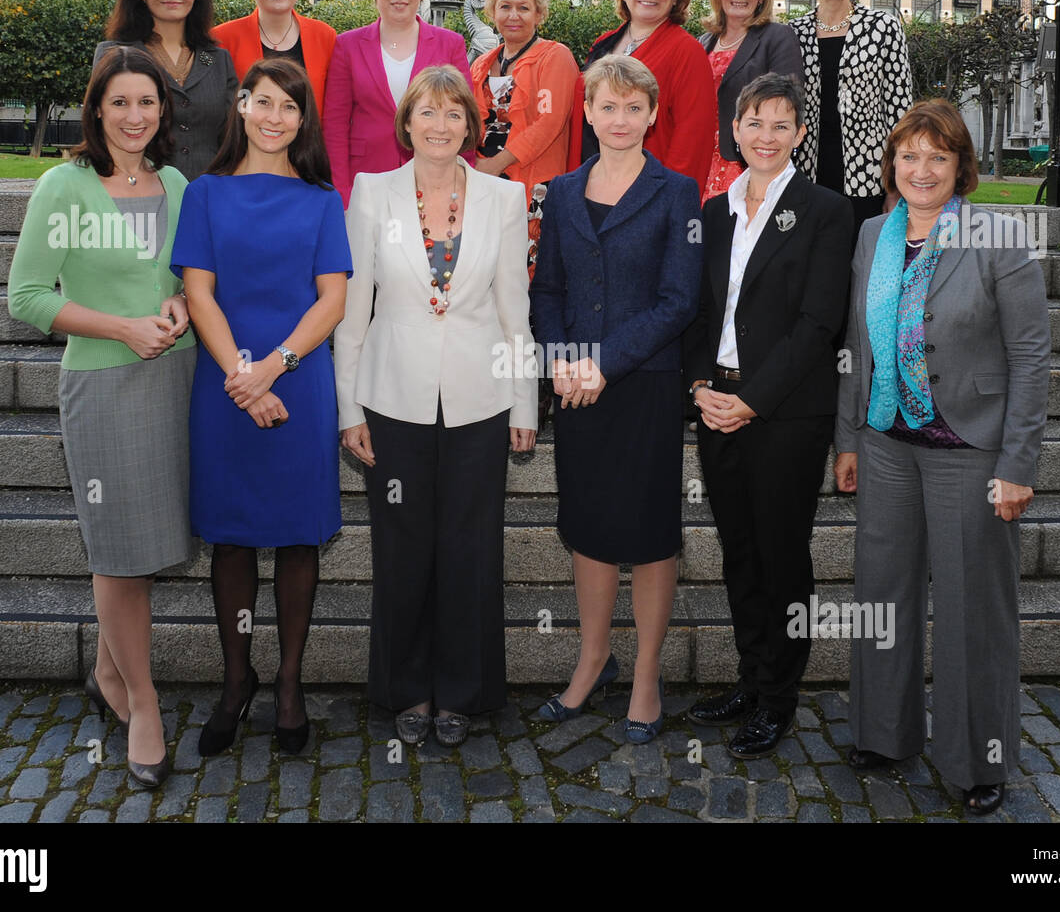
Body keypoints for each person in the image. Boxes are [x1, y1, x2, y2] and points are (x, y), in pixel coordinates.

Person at [833, 98, 1050, 815]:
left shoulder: (999, 235)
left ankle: (977, 758)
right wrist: (848, 437)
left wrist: (1018, 462)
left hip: (972, 451)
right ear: (891, 165)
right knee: (882, 596)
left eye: (938, 156)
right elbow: (856, 347)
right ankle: (882, 732)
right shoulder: (873, 234)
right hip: (887, 441)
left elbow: (1030, 354)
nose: (921, 169)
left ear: (961, 167)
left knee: (971, 610)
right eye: (909, 155)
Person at [7, 46, 195, 790]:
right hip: (103, 385)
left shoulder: (175, 182)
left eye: (146, 102)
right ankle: (140, 702)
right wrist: (121, 327)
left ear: (162, 110)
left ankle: (104, 671)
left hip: (174, 380)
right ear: (97, 108)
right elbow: (27, 295)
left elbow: (181, 274)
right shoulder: (64, 185)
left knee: (147, 541)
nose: (134, 115)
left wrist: (178, 299)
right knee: (119, 549)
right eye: (119, 102)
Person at [335, 65, 536, 748]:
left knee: (470, 547)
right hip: (391, 397)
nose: (441, 126)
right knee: (402, 549)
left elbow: (516, 307)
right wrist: (348, 407)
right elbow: (351, 308)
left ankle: (463, 690)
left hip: (481, 400)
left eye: (455, 114)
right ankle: (405, 688)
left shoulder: (503, 200)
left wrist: (524, 401)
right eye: (428, 113)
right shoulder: (371, 193)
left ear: (470, 126)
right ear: (407, 121)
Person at [171, 58, 352, 757]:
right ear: (241, 106)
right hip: (226, 384)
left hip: (297, 383)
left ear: (303, 121)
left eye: (290, 107)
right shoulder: (206, 194)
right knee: (233, 538)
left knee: (299, 537)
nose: (276, 117)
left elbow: (331, 300)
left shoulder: (320, 200)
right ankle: (235, 679)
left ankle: (290, 683)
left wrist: (273, 367)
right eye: (264, 102)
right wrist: (242, 375)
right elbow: (199, 292)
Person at [532, 55, 702, 743]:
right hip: (576, 391)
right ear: (589, 111)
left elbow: (679, 299)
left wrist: (604, 361)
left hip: (647, 387)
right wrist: (560, 363)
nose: (621, 119)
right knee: (590, 528)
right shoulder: (563, 191)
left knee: (652, 533)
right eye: (608, 106)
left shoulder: (677, 191)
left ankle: (647, 675)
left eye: (634, 108)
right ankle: (593, 658)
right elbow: (546, 291)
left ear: (652, 114)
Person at [682, 73, 852, 757]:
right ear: (736, 129)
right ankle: (752, 680)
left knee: (782, 557)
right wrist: (700, 386)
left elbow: (818, 323)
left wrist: (751, 400)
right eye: (755, 122)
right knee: (741, 554)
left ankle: (780, 698)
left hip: (783, 413)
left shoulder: (825, 211)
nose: (766, 135)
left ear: (801, 135)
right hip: (714, 400)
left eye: (781, 124)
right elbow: (698, 311)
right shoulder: (713, 210)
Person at [324, 0, 476, 207]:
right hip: (366, 178)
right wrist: (342, 191)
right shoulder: (347, 45)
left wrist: (464, 180)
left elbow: (464, 118)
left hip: (433, 175)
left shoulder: (449, 44)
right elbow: (334, 125)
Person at [790, 0, 914, 232]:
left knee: (862, 269)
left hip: (867, 179)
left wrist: (895, 184)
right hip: (805, 178)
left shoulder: (883, 27)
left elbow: (900, 111)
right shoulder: (792, 33)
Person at [567, 0, 715, 196]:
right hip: (590, 186)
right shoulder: (604, 43)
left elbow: (694, 140)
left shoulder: (687, 52)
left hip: (647, 195)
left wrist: (669, 202)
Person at [469, 0, 578, 279]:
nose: (513, 15)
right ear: (492, 11)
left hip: (531, 186)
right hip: (484, 185)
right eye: (505, 6)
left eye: (523, 8)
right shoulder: (481, 62)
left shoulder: (554, 56)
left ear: (539, 13)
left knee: (524, 279)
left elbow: (549, 122)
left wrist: (496, 163)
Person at [95, 0, 238, 181]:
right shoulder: (113, 55)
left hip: (208, 197)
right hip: (138, 195)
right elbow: (98, 131)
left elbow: (231, 137)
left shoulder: (219, 60)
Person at [698, 0, 802, 199]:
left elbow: (786, 105)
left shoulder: (777, 37)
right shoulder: (702, 43)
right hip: (699, 163)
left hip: (746, 164)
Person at [212, 0, 338, 120]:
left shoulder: (325, 37)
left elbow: (334, 108)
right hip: (245, 145)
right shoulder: (222, 38)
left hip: (310, 145)